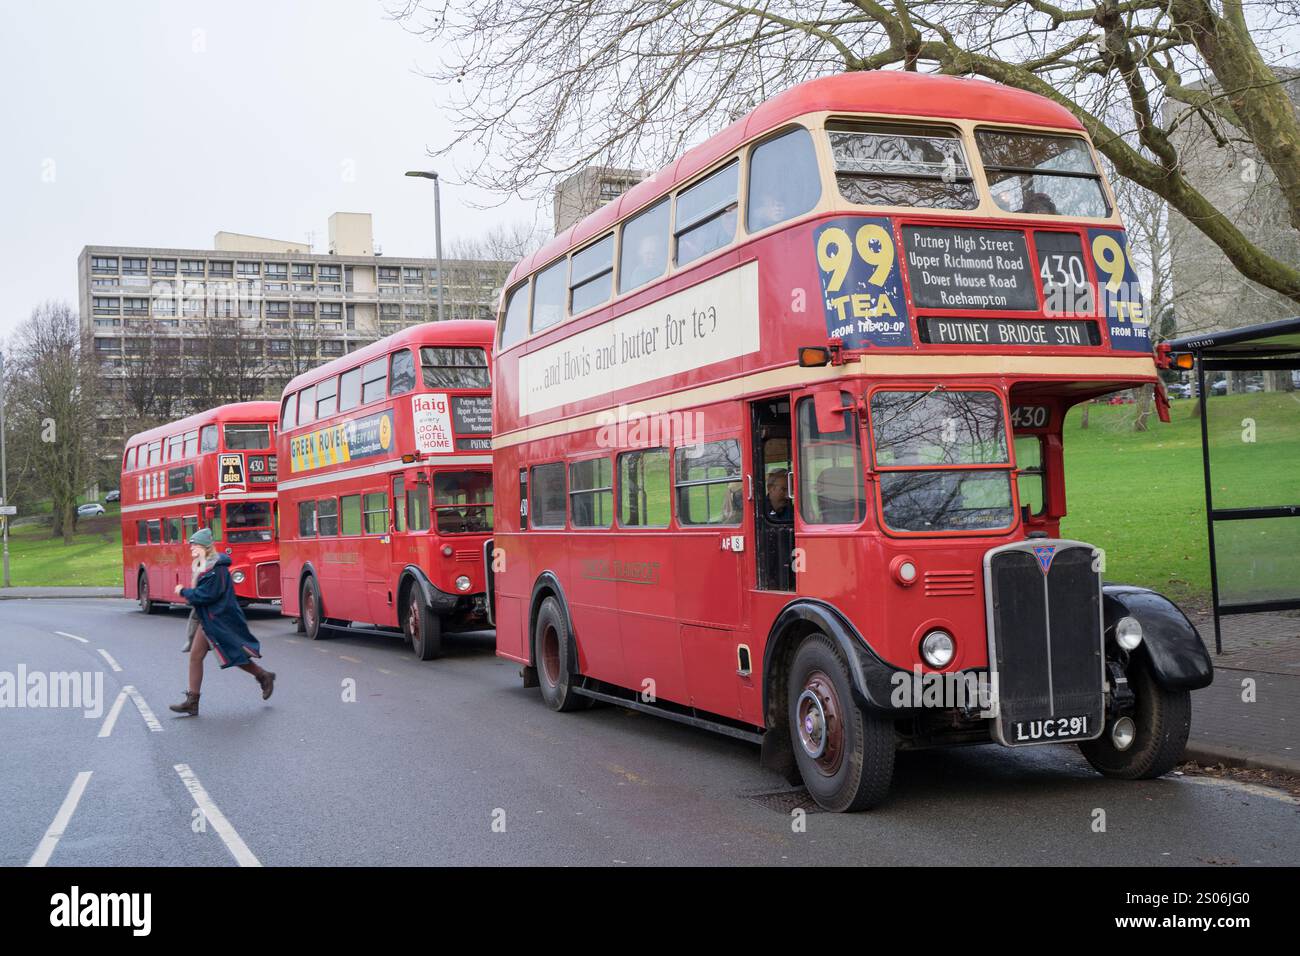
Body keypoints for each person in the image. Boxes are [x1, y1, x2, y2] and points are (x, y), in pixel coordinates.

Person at [169, 528, 275, 716]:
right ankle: (193, 701)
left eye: (194, 545)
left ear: (205, 547)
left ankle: (263, 675)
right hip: (209, 618)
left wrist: (183, 592)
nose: (191, 549)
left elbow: (207, 595)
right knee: (196, 656)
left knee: (234, 655)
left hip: (220, 619)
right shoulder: (204, 565)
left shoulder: (216, 568)